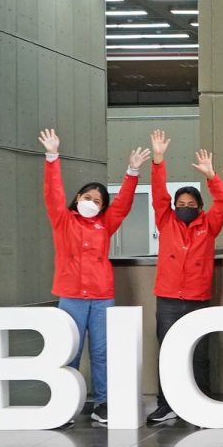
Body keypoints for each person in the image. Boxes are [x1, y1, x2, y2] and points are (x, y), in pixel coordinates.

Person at [39, 128, 148, 427]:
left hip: (101, 296)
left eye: (98, 201)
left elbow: (123, 204)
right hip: (71, 295)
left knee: (102, 352)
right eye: (88, 197)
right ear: (78, 198)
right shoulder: (63, 220)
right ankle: (66, 403)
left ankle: (102, 403)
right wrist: (52, 157)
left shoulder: (105, 224)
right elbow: (53, 193)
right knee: (69, 351)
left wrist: (132, 171)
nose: (92, 202)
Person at [146, 133, 223, 427]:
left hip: (197, 297)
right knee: (168, 352)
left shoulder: (209, 225)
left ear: (198, 206)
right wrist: (158, 160)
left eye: (190, 202)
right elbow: (157, 194)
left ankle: (202, 401)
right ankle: (165, 404)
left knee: (199, 352)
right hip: (168, 298)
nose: (185, 206)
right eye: (180, 202)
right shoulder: (166, 220)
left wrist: (210, 176)